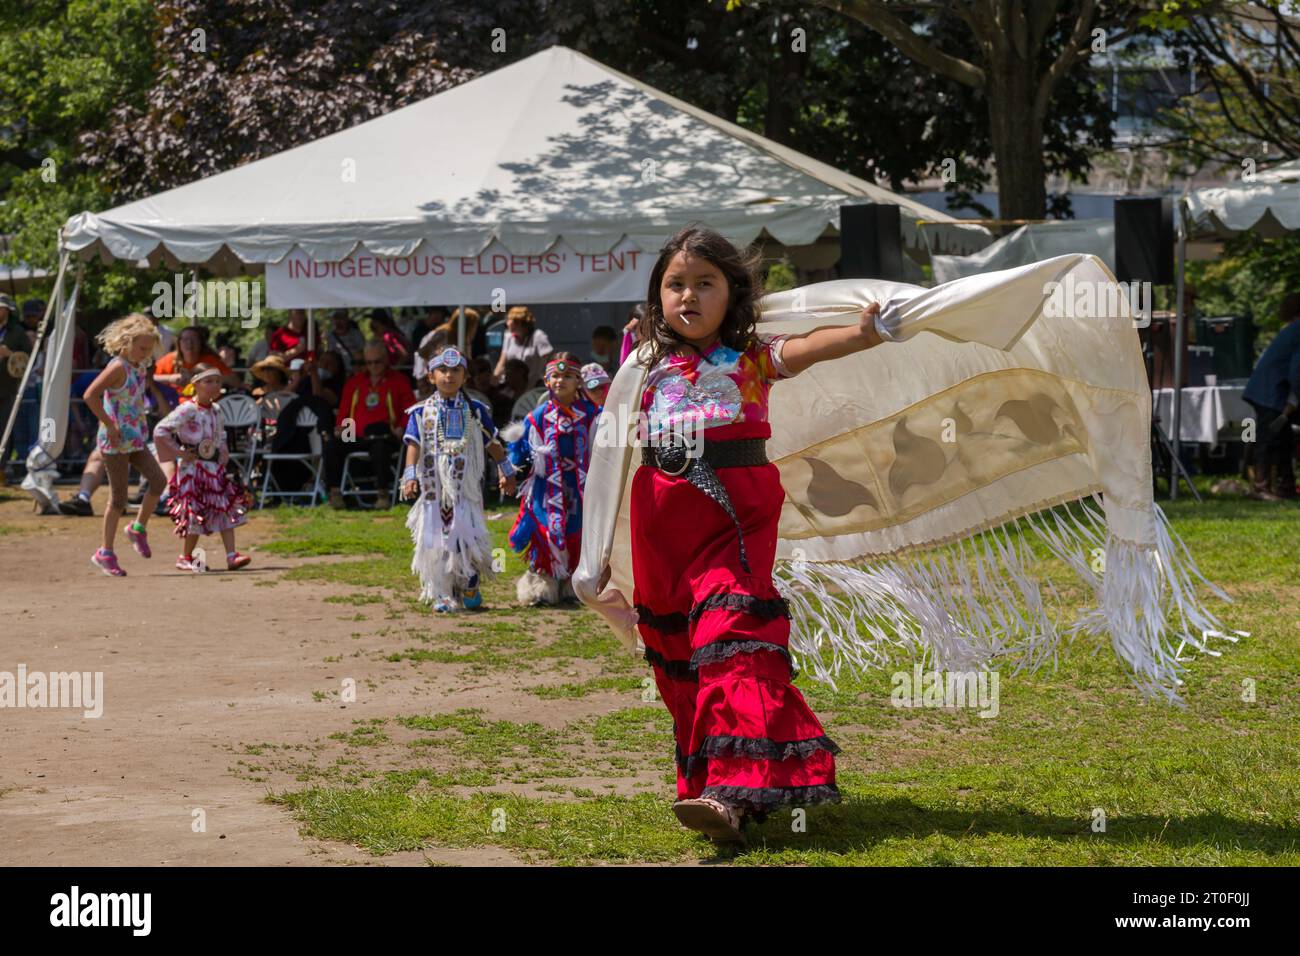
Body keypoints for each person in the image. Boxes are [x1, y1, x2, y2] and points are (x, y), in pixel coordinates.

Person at [620, 225, 887, 842]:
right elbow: (609, 455)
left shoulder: (753, 358)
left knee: (731, 643)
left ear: (732, 291)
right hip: (659, 526)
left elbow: (814, 348)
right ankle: (713, 780)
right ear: (657, 296)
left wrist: (865, 332)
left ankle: (728, 796)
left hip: (731, 520)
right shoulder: (642, 366)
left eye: (704, 283)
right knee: (682, 660)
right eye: (675, 284)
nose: (688, 295)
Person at [401, 347, 518, 611]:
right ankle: (443, 593)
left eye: (456, 371)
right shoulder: (421, 412)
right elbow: (413, 445)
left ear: (465, 376)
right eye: (442, 370)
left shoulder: (475, 410)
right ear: (431, 376)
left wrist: (506, 470)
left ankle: (469, 581)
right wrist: (409, 475)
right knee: (437, 538)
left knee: (467, 536)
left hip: (465, 489)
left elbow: (492, 443)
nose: (449, 376)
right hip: (434, 489)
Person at [502, 353, 600, 606]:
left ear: (578, 381)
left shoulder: (593, 414)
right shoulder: (536, 416)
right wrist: (509, 472)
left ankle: (572, 587)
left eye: (568, 376)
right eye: (555, 376)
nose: (560, 381)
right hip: (545, 490)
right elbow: (518, 450)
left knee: (577, 533)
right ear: (546, 381)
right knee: (546, 532)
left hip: (582, 489)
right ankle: (541, 588)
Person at [81, 313, 168, 577]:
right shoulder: (117, 367)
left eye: (148, 349)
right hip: (115, 440)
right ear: (125, 342)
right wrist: (109, 423)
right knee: (118, 499)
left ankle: (137, 528)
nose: (145, 353)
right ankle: (105, 552)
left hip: (135, 437)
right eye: (142, 348)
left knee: (159, 482)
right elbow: (90, 395)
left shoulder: (139, 367)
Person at [153, 365, 251, 571]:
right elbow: (161, 430)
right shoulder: (187, 409)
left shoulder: (216, 410)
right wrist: (179, 453)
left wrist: (223, 452)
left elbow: (220, 434)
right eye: (209, 381)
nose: (214, 385)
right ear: (196, 384)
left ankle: (231, 555)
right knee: (194, 512)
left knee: (224, 507)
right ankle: (186, 557)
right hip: (193, 468)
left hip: (214, 468)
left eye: (217, 381)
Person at [326, 340, 416, 508]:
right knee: (332, 446)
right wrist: (342, 429)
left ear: (386, 360)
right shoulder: (355, 382)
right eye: (368, 362)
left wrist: (401, 428)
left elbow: (409, 410)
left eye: (377, 361)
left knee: (380, 447)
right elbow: (345, 411)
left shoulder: (399, 381)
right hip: (356, 435)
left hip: (385, 435)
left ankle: (382, 495)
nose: (373, 366)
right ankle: (335, 493)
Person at [1242, 291, 1300, 500]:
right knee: (1268, 439)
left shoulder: (1292, 329)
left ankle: (1286, 487)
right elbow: (1297, 370)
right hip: (1271, 392)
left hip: (1270, 389)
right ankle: (1261, 487)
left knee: (1283, 440)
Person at [154, 326, 240, 391]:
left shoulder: (210, 360)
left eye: (193, 339)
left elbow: (234, 381)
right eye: (185, 339)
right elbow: (149, 378)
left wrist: (202, 378)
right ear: (179, 343)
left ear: (200, 343)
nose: (189, 343)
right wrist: (170, 378)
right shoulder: (169, 360)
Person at [0, 293, 30, 476]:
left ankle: (1, 470)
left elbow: (27, 360)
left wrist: (9, 353)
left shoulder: (17, 333)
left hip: (7, 388)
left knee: (4, 429)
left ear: (7, 310)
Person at [492, 305, 554, 386]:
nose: (507, 323)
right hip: (511, 385)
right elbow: (502, 362)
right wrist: (494, 379)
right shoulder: (508, 336)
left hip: (532, 384)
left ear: (519, 322)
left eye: (510, 320)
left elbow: (551, 361)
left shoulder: (538, 336)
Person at [414, 307, 479, 381]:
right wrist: (439, 364)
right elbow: (422, 352)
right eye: (474, 325)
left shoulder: (465, 339)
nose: (475, 328)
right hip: (434, 377)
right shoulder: (443, 333)